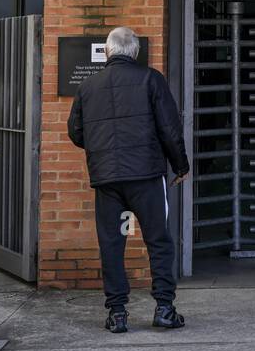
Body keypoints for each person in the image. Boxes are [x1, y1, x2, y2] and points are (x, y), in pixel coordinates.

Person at [68, 26, 190, 333]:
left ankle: (117, 314)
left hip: (107, 180)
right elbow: (169, 128)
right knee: (158, 242)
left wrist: (103, 150)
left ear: (108, 52)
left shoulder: (87, 86)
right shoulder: (151, 79)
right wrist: (181, 165)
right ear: (134, 52)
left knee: (111, 244)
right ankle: (164, 308)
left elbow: (76, 132)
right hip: (147, 176)